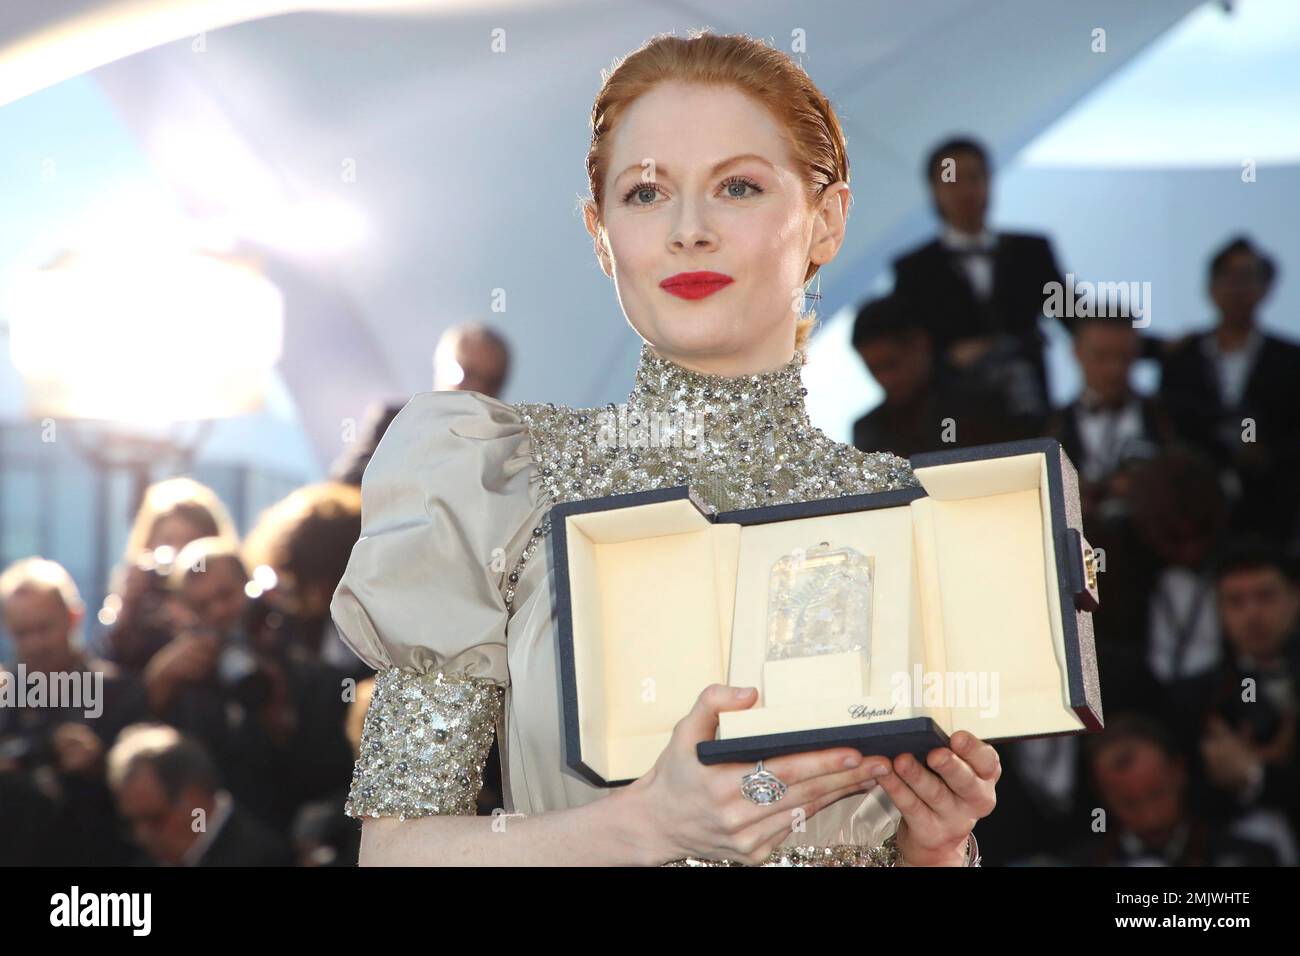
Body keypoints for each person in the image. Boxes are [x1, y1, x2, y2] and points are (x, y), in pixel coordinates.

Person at [330, 31, 999, 867]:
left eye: (739, 186)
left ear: (826, 220)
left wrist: (937, 848)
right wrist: (645, 827)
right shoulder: (498, 480)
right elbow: (393, 852)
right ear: (600, 231)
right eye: (646, 194)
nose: (689, 229)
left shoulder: (908, 518)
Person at [892, 136, 1070, 419]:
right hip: (956, 416)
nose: (966, 191)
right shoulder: (914, 269)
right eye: (953, 181)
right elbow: (910, 349)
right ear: (934, 191)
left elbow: (1074, 316)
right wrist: (952, 358)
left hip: (1030, 406)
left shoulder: (1030, 251)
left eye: (975, 177)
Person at [1156, 236, 1300, 549]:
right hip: (1194, 513)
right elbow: (1169, 422)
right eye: (1228, 277)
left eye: (1248, 277)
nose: (1237, 288)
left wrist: (1265, 454)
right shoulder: (1183, 357)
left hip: (1276, 510)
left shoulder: (1290, 359)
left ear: (1265, 288)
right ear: (1211, 287)